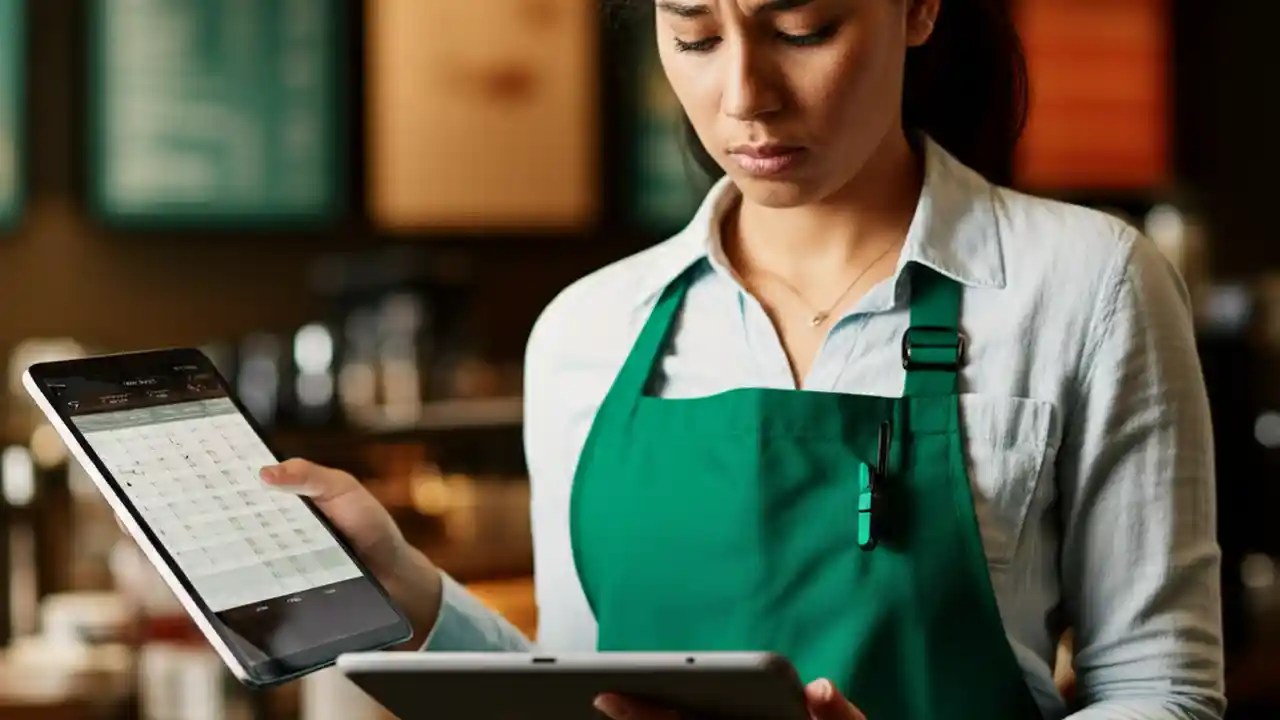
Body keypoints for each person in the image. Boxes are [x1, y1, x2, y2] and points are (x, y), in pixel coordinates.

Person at [260, 0, 1225, 717]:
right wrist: (413, 593)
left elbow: (1161, 689)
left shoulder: (1089, 287)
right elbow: (578, 687)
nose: (744, 98)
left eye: (802, 29)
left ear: (921, 9)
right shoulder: (587, 331)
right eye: (693, 35)